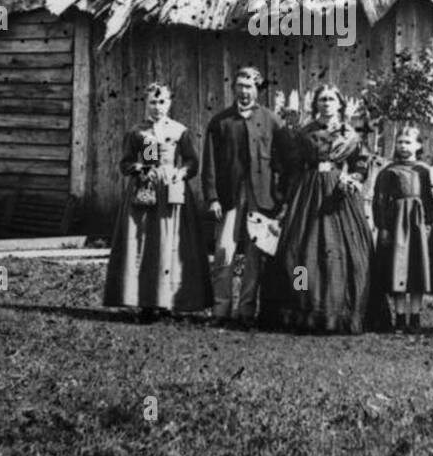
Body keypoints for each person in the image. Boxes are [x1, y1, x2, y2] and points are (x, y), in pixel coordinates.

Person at [266, 84, 377, 334]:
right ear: (316, 104)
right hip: (309, 193)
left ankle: (342, 309)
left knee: (342, 253)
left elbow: (361, 162)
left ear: (339, 104)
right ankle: (301, 305)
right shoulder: (305, 132)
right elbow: (294, 166)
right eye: (322, 99)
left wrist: (355, 179)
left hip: (339, 195)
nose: (326, 103)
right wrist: (287, 200)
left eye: (331, 99)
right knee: (301, 251)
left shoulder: (350, 134)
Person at [103, 83, 211, 320]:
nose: (157, 107)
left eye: (162, 102)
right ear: (146, 103)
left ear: (170, 103)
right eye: (152, 102)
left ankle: (169, 300)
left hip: (171, 192)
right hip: (144, 192)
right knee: (145, 243)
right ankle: (145, 302)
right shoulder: (137, 132)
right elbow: (125, 163)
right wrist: (140, 167)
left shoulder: (179, 131)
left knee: (170, 244)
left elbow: (192, 162)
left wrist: (181, 173)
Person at [202, 66, 285, 328]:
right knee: (225, 250)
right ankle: (221, 309)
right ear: (234, 88)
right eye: (239, 85)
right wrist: (212, 197)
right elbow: (210, 164)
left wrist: (280, 198)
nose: (244, 91)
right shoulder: (221, 122)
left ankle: (246, 310)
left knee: (254, 255)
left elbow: (282, 162)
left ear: (258, 89)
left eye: (249, 86)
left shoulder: (272, 121)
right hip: (230, 196)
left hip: (262, 198)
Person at [373, 124, 433, 333]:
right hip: (397, 225)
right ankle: (400, 317)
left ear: (418, 145)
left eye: (408, 142)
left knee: (417, 271)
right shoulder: (388, 172)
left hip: (418, 225)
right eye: (400, 142)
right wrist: (383, 227)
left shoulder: (426, 170)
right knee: (398, 268)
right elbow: (380, 200)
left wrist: (430, 223)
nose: (403, 146)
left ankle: (416, 317)